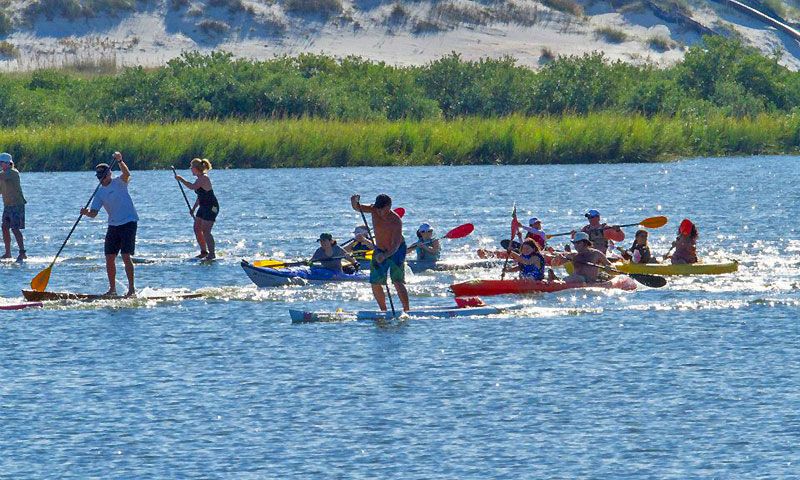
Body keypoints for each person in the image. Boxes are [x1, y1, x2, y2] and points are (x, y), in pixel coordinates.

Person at [80, 152, 138, 297]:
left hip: (129, 222)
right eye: (99, 177)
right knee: (109, 257)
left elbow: (127, 173)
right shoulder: (99, 193)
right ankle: (112, 289)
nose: (102, 179)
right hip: (113, 225)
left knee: (125, 256)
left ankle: (131, 290)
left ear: (109, 174)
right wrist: (86, 212)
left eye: (103, 176)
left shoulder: (120, 182)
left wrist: (120, 160)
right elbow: (94, 213)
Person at [351, 193, 410, 312]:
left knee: (397, 281)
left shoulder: (396, 221)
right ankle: (383, 310)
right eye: (377, 209)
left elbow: (395, 245)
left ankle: (407, 309)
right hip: (379, 249)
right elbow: (358, 207)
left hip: (397, 250)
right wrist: (353, 201)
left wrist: (385, 256)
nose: (379, 212)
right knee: (375, 282)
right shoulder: (374, 209)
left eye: (381, 209)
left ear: (388, 207)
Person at [174, 158, 219, 260]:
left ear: (196, 168)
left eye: (191, 167)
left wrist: (181, 179)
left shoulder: (204, 178)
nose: (190, 169)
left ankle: (212, 254)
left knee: (206, 230)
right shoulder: (199, 179)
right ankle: (204, 252)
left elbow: (192, 187)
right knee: (197, 228)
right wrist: (194, 208)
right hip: (203, 206)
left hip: (212, 207)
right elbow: (200, 196)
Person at [0, 153, 26, 262]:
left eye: (1, 162)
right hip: (8, 206)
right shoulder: (2, 175)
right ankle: (8, 253)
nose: (0, 165)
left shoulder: (13, 173)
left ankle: (22, 252)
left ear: (8, 163)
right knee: (5, 227)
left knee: (15, 229)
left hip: (17, 205)